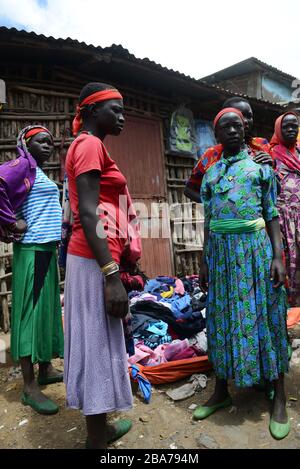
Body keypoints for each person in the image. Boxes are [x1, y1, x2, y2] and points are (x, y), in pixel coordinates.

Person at [194, 108, 290, 440]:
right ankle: (221, 391)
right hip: (220, 255)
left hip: (255, 250)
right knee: (221, 317)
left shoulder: (261, 169)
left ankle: (278, 396)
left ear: (245, 129)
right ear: (216, 135)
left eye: (238, 125)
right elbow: (207, 222)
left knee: (267, 314)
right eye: (225, 127)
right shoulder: (211, 174)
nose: (233, 130)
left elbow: (273, 215)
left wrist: (278, 256)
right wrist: (204, 261)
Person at [64, 82, 139, 449]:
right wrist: (110, 274)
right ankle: (96, 437)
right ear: (93, 111)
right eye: (116, 109)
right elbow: (88, 211)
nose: (122, 116)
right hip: (95, 261)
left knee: (94, 339)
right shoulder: (90, 145)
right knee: (95, 341)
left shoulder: (87, 145)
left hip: (92, 257)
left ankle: (100, 427)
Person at [8, 126, 64, 415]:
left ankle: (45, 368)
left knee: (46, 310)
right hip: (31, 250)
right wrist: (9, 222)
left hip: (46, 250)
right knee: (30, 315)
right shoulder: (19, 166)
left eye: (51, 142)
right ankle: (29, 387)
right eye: (41, 141)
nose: (48, 146)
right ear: (26, 144)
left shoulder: (34, 173)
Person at [185, 97, 273, 202]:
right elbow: (189, 189)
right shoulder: (212, 155)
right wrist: (212, 203)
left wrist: (270, 167)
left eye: (248, 116)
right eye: (238, 115)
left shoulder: (262, 145)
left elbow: (275, 186)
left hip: (257, 215)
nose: (245, 121)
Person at [271, 112, 300, 307]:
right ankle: (292, 309)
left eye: (294, 126)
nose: (291, 130)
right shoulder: (271, 154)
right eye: (286, 127)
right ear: (278, 130)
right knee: (290, 262)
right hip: (283, 219)